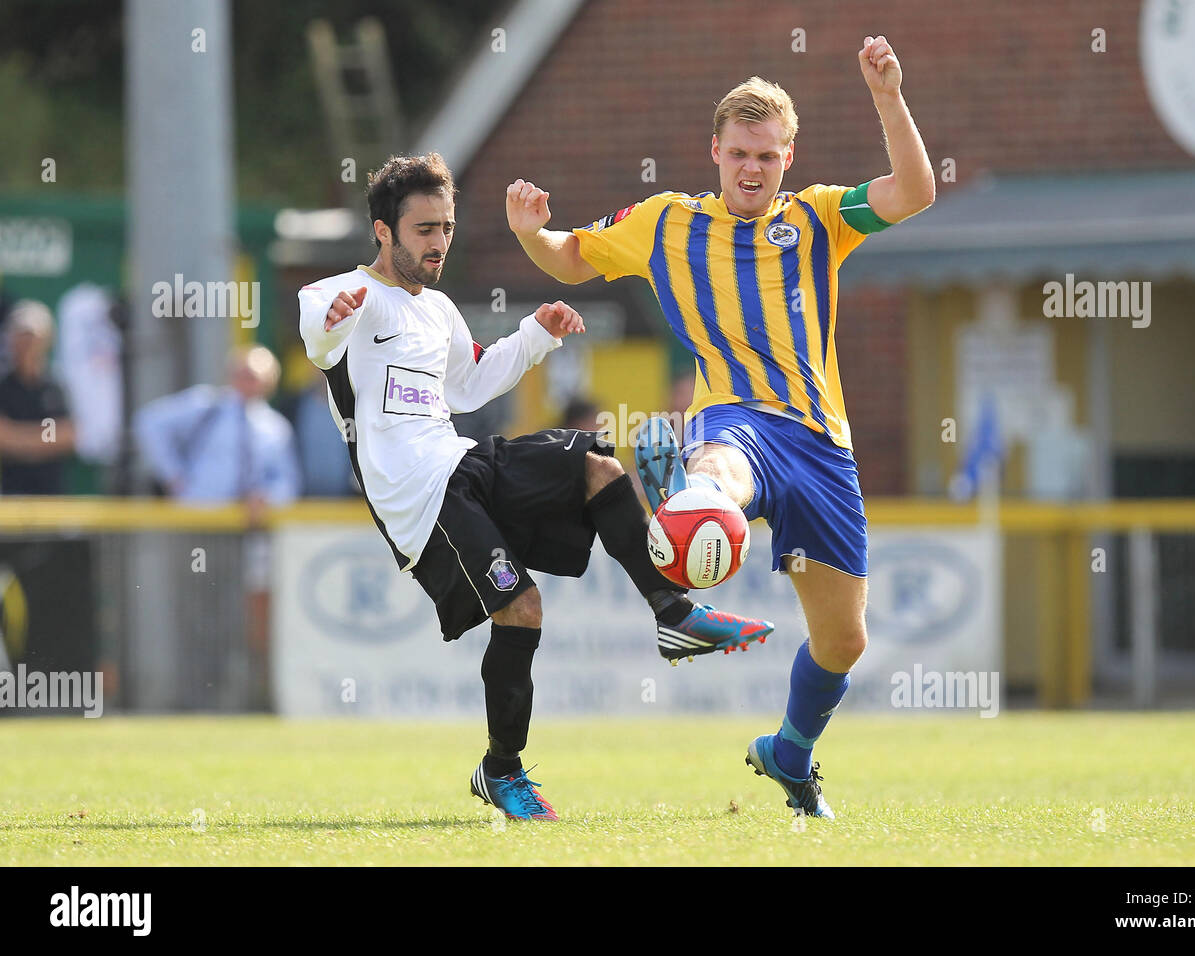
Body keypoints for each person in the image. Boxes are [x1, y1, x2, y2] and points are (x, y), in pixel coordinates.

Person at [507, 37, 935, 818]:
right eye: (739, 152)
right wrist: (532, 232)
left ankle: (790, 754)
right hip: (736, 422)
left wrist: (887, 97)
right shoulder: (665, 222)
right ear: (714, 151)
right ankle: (693, 489)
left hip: (823, 448)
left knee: (844, 643)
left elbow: (916, 191)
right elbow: (571, 258)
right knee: (721, 473)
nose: (751, 169)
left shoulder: (821, 217)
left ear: (788, 156)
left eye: (767, 156)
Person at [298, 152, 774, 822]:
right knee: (521, 609)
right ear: (384, 232)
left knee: (600, 467)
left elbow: (467, 386)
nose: (438, 242)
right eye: (424, 229)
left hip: (460, 462)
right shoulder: (333, 295)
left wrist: (534, 336)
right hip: (417, 501)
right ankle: (502, 771)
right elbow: (318, 341)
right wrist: (337, 320)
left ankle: (675, 617)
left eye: (446, 228)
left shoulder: (436, 310)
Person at [135, 344, 302, 708]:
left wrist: (266, 497)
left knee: (233, 616)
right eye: (241, 374)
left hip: (242, 535)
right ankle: (189, 695)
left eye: (255, 377)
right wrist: (174, 475)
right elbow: (149, 423)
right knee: (193, 611)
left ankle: (228, 696)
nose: (247, 383)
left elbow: (287, 481)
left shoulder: (274, 428)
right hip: (197, 527)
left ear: (269, 383)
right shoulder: (205, 406)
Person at [0, 300, 78, 494]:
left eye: (32, 337)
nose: (26, 344)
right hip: (11, 497)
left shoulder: (55, 387)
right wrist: (42, 439)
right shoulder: (4, 387)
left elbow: (67, 436)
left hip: (51, 498)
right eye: (21, 336)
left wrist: (18, 439)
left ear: (46, 340)